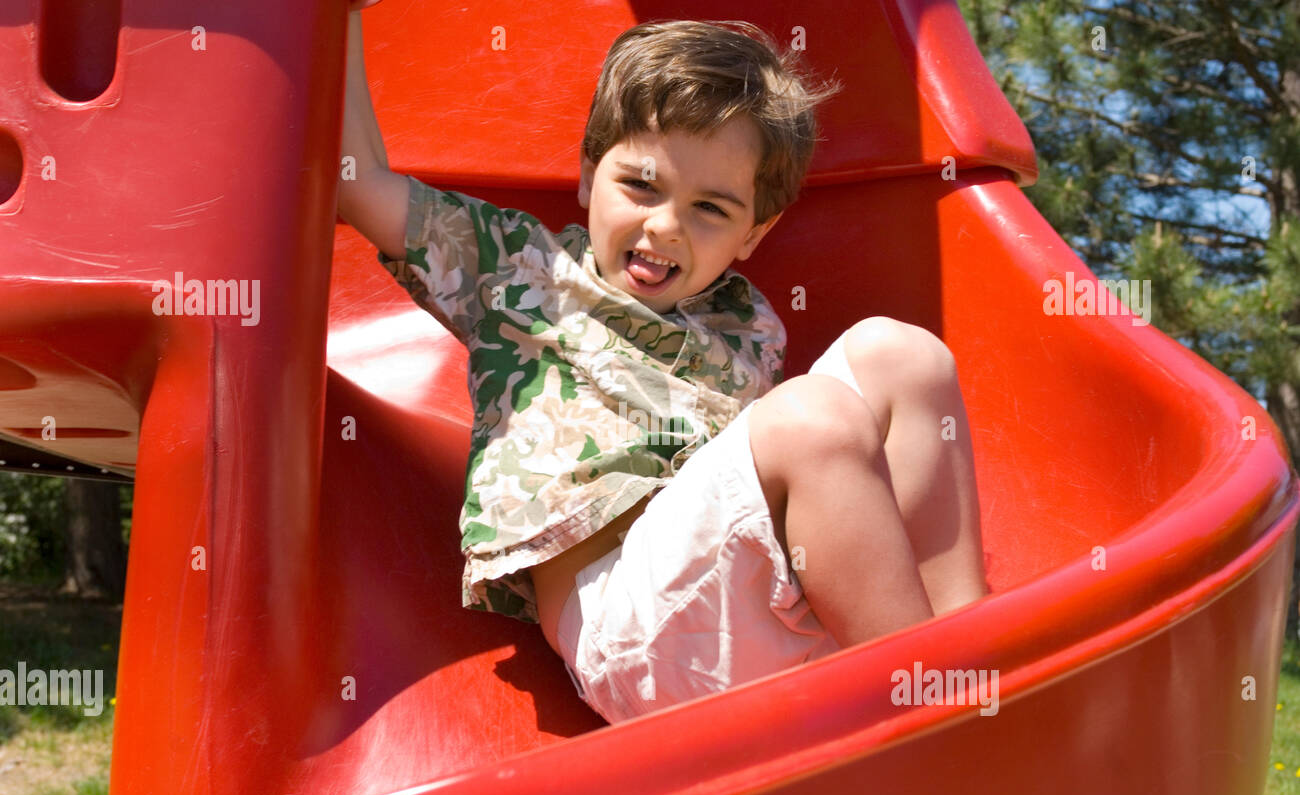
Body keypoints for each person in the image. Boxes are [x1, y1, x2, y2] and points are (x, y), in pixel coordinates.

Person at [338, 9, 990, 723]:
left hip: (767, 619)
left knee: (904, 354)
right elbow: (359, 181)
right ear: (590, 174)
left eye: (710, 208)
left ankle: (971, 656)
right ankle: (935, 718)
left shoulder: (747, 327)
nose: (666, 225)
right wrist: (333, 20)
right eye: (642, 187)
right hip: (637, 637)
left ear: (755, 233)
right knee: (815, 419)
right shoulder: (525, 274)